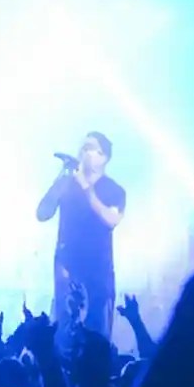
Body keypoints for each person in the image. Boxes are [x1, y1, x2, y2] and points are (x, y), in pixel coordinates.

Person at [35, 132, 126, 340]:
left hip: (98, 268)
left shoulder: (114, 190)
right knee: (65, 326)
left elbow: (111, 219)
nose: (84, 152)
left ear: (104, 157)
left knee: (96, 328)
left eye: (90, 147)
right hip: (66, 266)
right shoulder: (67, 184)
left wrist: (87, 189)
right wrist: (60, 179)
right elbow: (42, 214)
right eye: (82, 147)